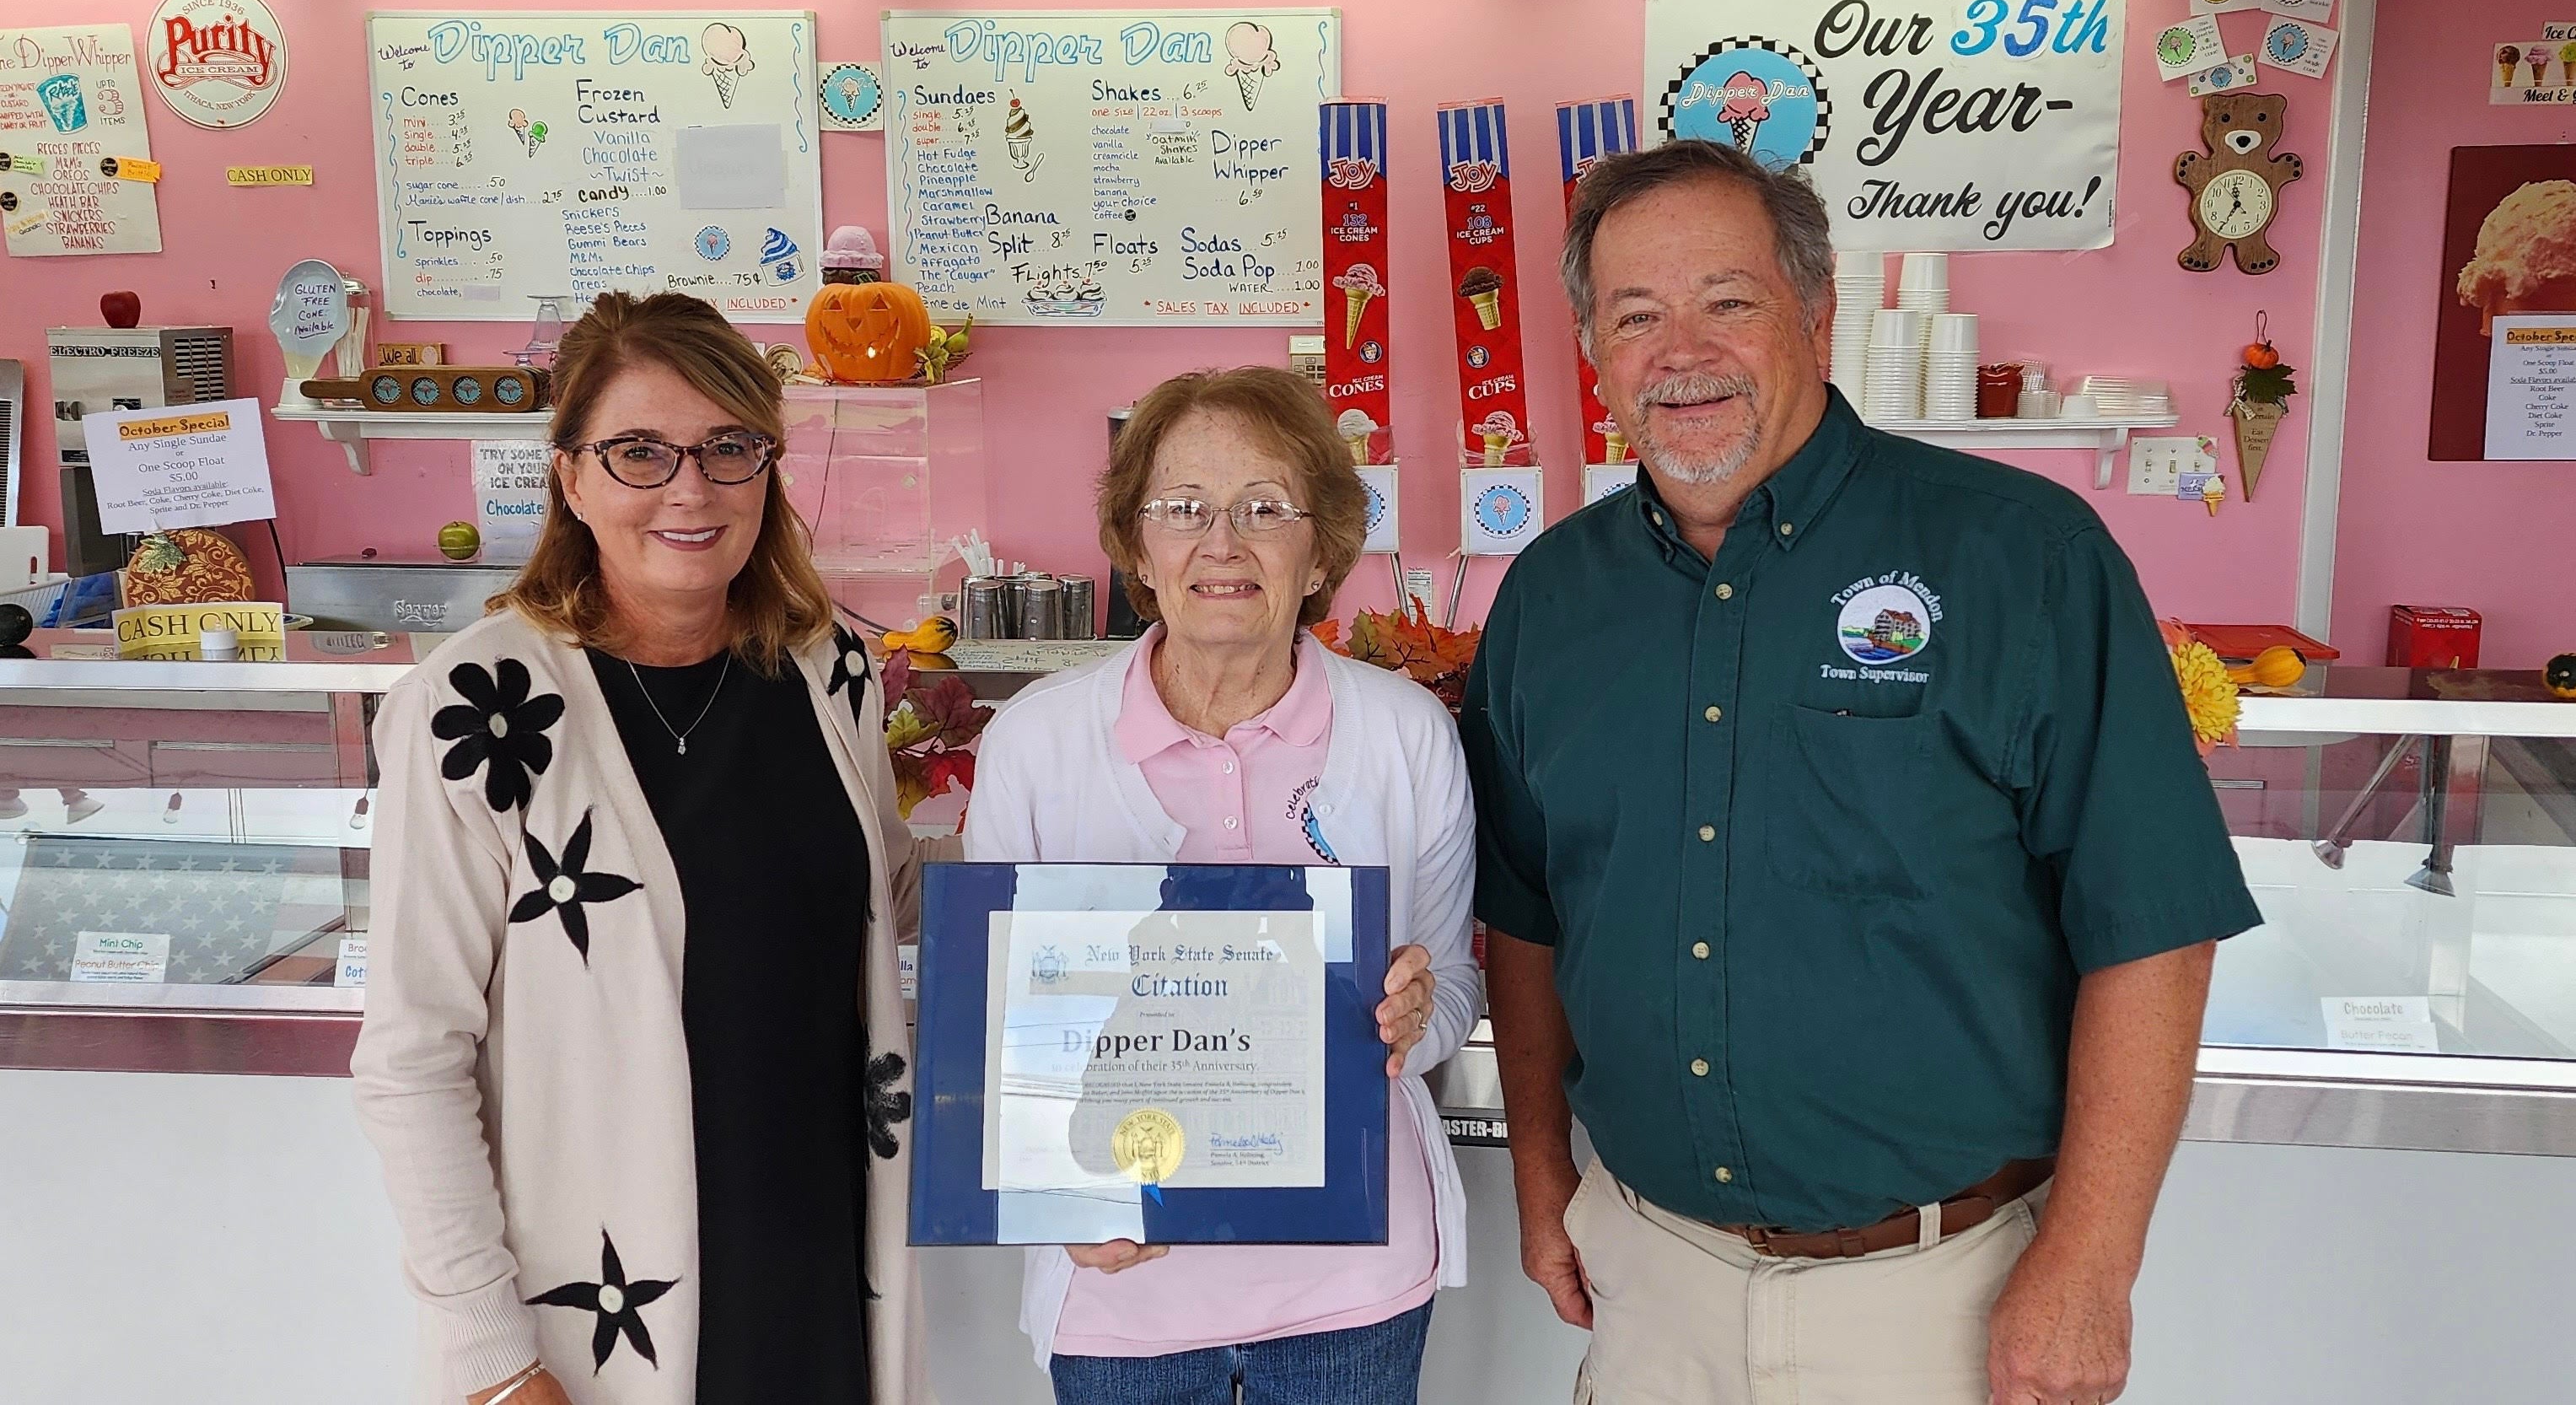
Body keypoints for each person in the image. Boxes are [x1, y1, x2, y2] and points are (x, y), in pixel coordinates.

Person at [1463, 142, 2263, 1405]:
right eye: (1634, 316)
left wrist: (2088, 1267)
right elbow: (1523, 917)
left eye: (1725, 301)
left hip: (1941, 1299)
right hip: (1650, 1278)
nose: (1680, 352)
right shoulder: (1547, 600)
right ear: (1593, 348)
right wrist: (1538, 1179)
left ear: (1815, 309)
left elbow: (2151, 927)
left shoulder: (2021, 558)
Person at [352, 291, 929, 1405]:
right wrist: (488, 1350)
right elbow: (412, 1056)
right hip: (601, 1312)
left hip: (818, 1266)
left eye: (728, 448)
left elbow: (883, 896)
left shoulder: (825, 671)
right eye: (638, 452)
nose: (691, 489)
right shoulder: (476, 707)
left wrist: (1097, 868)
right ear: (569, 476)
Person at [965, 365, 1481, 1405]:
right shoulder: (1036, 741)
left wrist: (1410, 1020)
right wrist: (1061, 1195)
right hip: (1122, 1290)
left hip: (1351, 1278)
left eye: (1265, 507)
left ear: (1324, 545)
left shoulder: (1406, 733)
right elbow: (999, 1023)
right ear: (1137, 546)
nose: (1223, 542)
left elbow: (1453, 990)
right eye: (1184, 507)